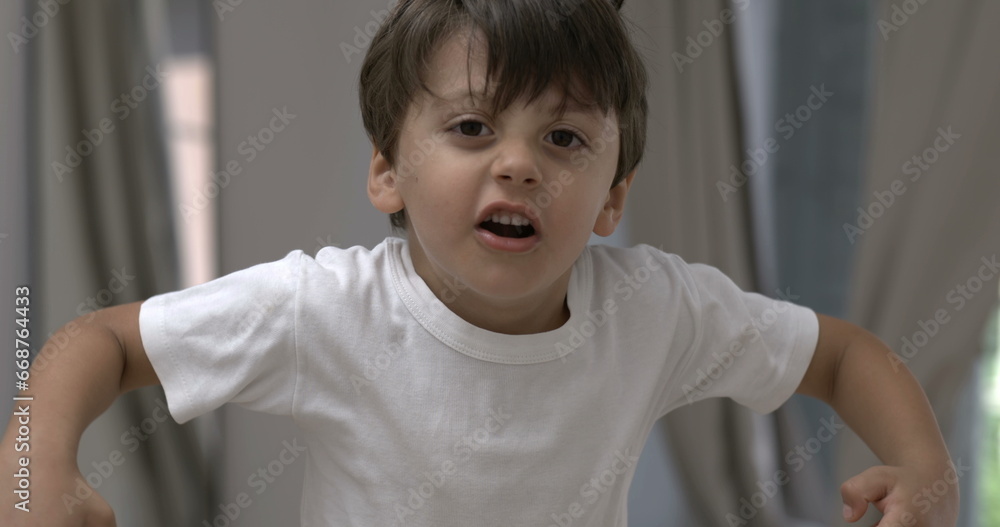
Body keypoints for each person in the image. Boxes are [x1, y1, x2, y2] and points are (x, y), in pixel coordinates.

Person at [1, 0, 959, 525]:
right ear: (388, 172)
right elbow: (102, 342)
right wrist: (33, 474)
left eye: (567, 141)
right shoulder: (324, 308)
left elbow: (841, 356)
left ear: (614, 197)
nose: (518, 162)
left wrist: (923, 468)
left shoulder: (654, 310)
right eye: (470, 126)